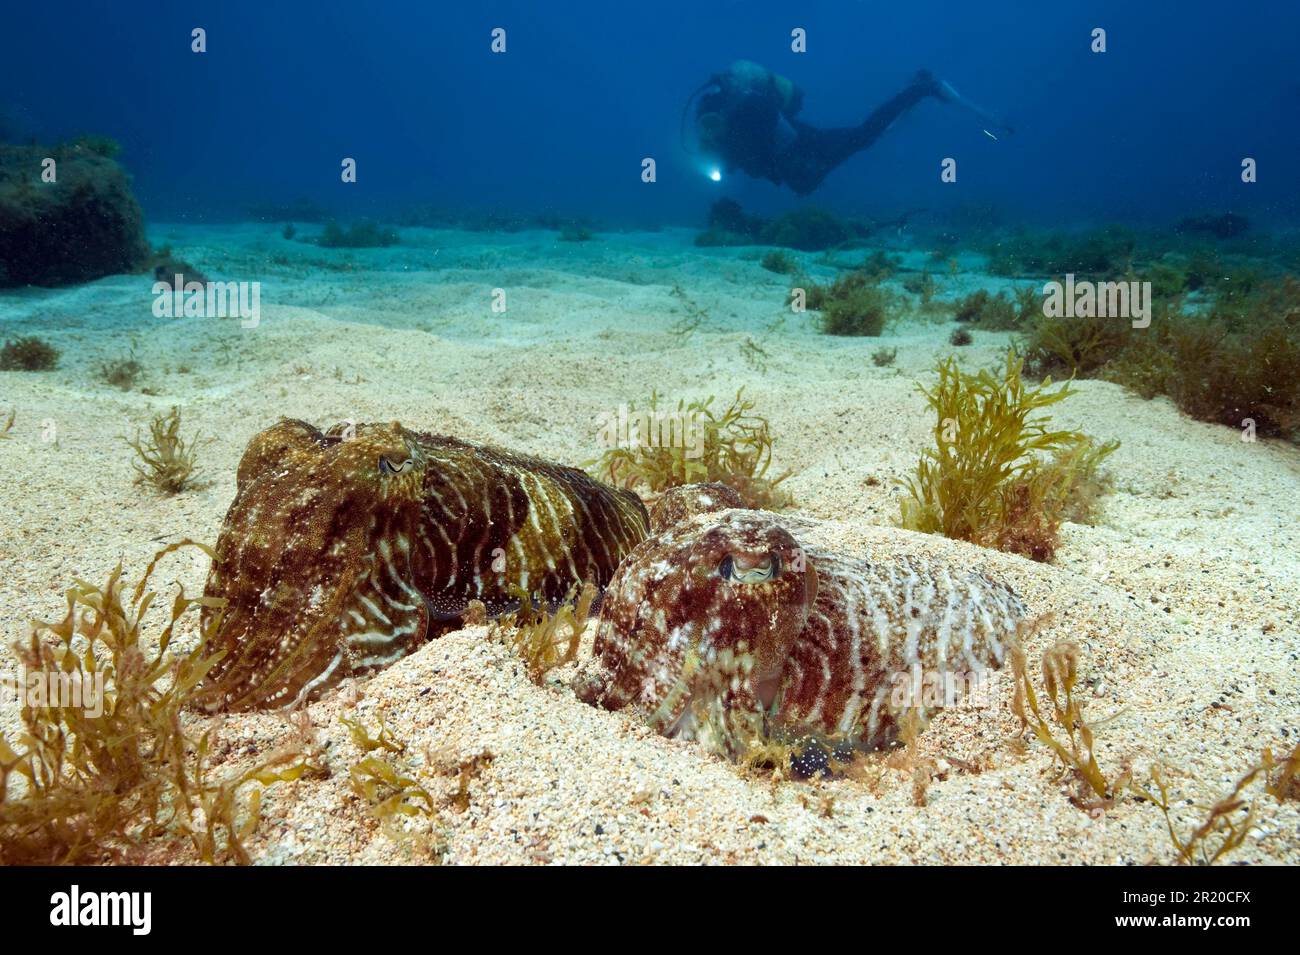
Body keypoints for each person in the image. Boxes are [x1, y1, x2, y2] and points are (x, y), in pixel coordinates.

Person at [688, 61, 1013, 195]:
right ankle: (916, 92)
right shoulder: (729, 117)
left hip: (805, 147)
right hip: (801, 143)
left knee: (864, 135)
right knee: (865, 137)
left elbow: (773, 139)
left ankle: (923, 88)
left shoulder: (749, 108)